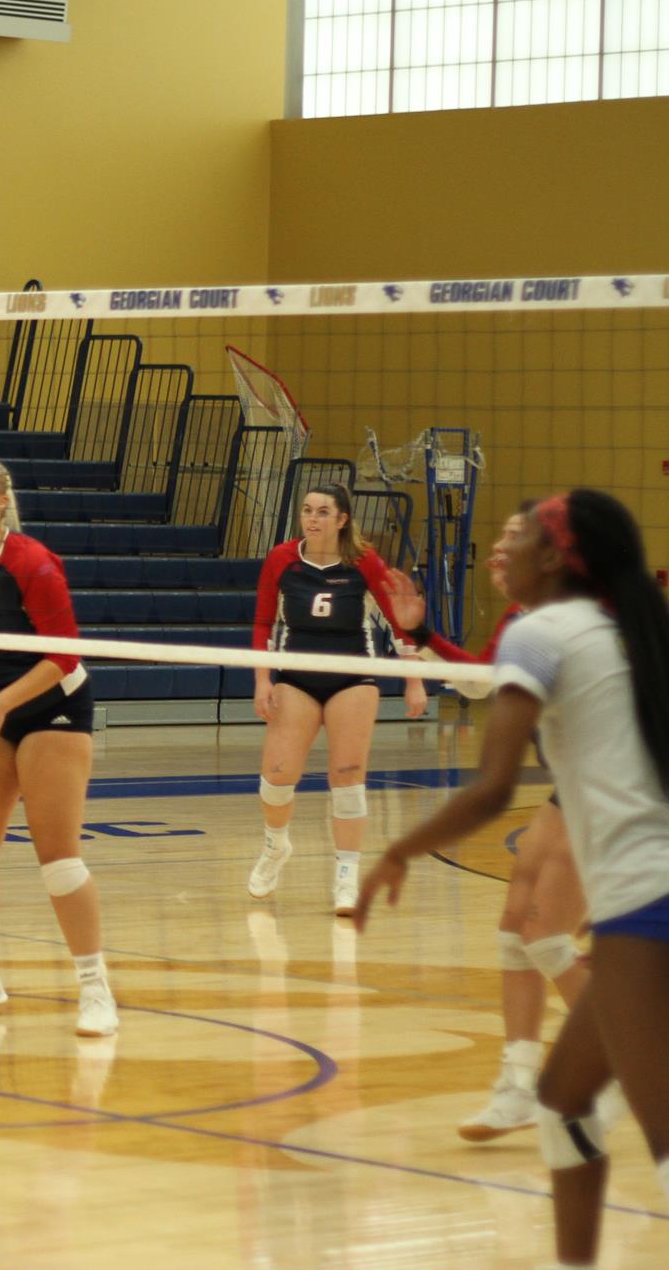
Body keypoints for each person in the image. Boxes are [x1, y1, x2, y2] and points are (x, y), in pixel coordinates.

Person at [356, 490, 669, 1270]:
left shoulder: (543, 631)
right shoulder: (626, 629)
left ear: (558, 557)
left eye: (519, 534)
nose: (504, 547)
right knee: (564, 1107)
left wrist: (398, 851)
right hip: (644, 890)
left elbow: (493, 787)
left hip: (648, 897)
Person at [386, 512, 596, 1142]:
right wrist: (420, 634)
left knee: (546, 936)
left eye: (512, 538)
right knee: (516, 931)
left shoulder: (585, 618)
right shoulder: (520, 618)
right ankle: (520, 1086)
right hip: (576, 785)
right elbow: (482, 684)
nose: (497, 549)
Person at [0, 455, 117, 1037]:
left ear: (3, 500)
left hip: (50, 706)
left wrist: (4, 703)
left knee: (58, 858)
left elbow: (65, 654)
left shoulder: (33, 564)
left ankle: (94, 987)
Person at [246, 484, 428, 916]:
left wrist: (414, 681)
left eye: (323, 512)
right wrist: (262, 680)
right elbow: (263, 622)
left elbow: (400, 625)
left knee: (347, 778)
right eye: (307, 510)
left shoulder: (364, 562)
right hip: (296, 676)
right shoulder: (282, 558)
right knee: (276, 776)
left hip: (354, 677)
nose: (312, 518)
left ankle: (346, 876)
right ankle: (275, 847)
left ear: (342, 519)